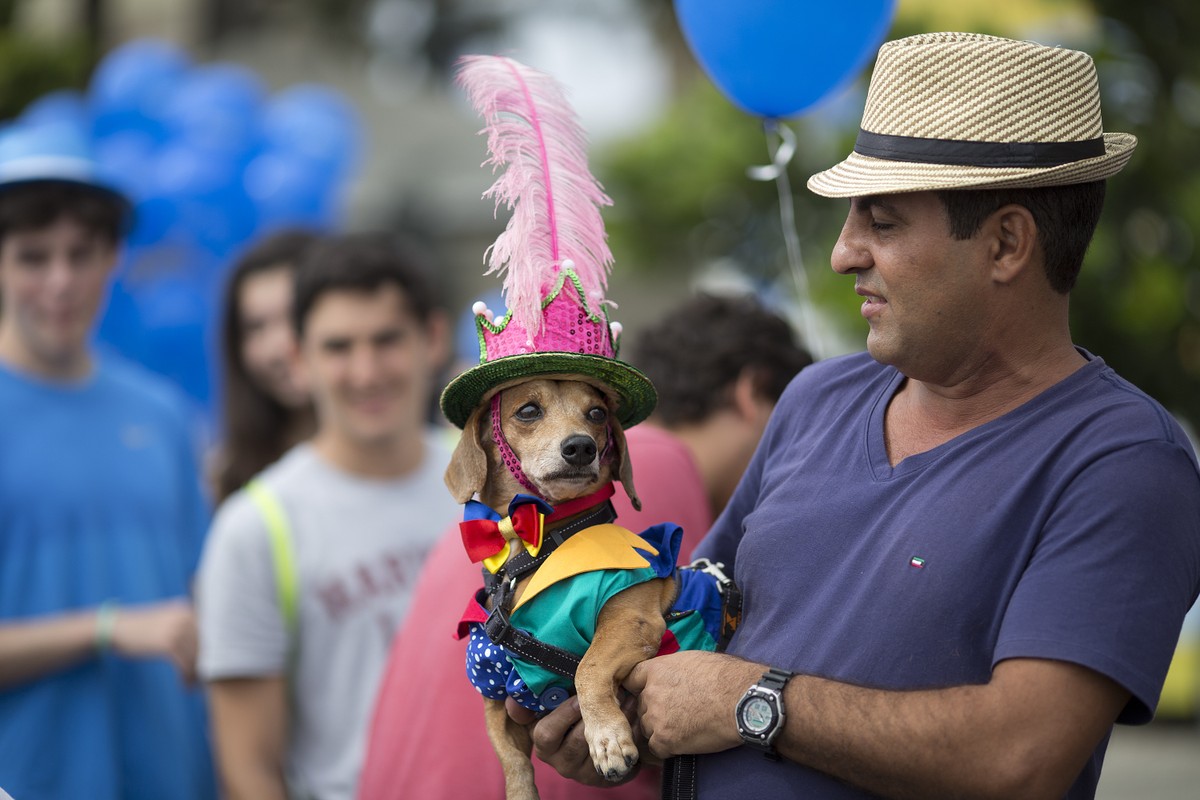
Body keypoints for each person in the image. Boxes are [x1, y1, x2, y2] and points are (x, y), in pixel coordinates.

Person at [531, 32, 1200, 800]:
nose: (843, 254)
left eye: (880, 223)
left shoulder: (1123, 461)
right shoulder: (818, 398)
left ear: (1007, 243)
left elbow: (1023, 758)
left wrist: (753, 703)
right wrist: (598, 698)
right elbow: (686, 626)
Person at [355, 291, 811, 800]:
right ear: (754, 394)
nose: (580, 440)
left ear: (612, 440)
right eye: (529, 412)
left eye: (595, 418)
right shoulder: (667, 464)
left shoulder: (501, 542)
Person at [195, 233, 460, 800]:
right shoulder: (256, 527)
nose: (365, 372)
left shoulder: (494, 487)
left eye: (387, 340)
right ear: (299, 358)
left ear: (432, 339)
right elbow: (251, 771)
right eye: (338, 347)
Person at [0, 127, 216, 797]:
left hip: (173, 774)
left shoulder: (162, 414)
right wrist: (108, 628)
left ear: (113, 260)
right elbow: (143, 624)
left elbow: (202, 602)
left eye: (81, 254)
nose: (60, 281)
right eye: (34, 257)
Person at [212, 228, 321, 504]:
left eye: (293, 317)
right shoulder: (224, 474)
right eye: (255, 327)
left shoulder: (432, 448)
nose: (278, 348)